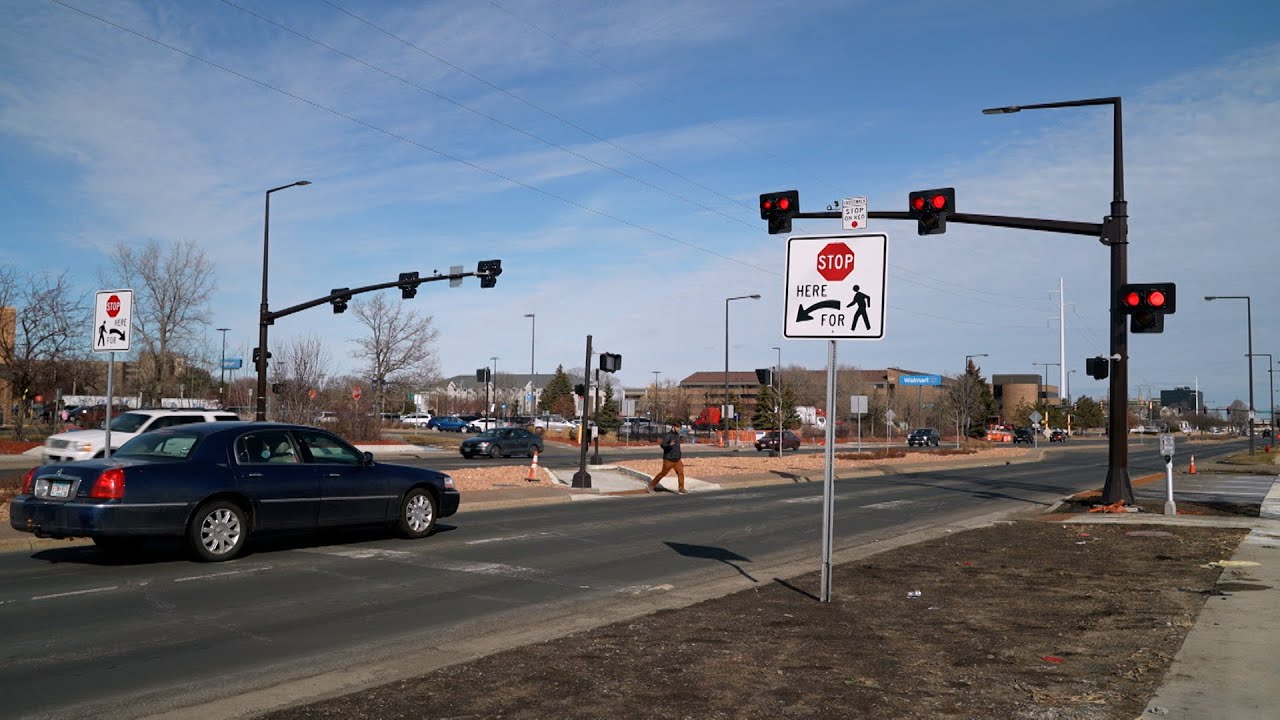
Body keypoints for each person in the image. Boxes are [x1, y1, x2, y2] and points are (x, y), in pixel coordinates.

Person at [647, 422, 687, 494]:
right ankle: (651, 486)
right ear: (673, 427)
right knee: (663, 473)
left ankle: (681, 488)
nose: (679, 429)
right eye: (677, 427)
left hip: (677, 459)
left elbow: (677, 445)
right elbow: (663, 445)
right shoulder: (668, 435)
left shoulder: (677, 435)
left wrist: (681, 442)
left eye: (680, 428)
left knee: (681, 473)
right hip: (669, 459)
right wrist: (670, 445)